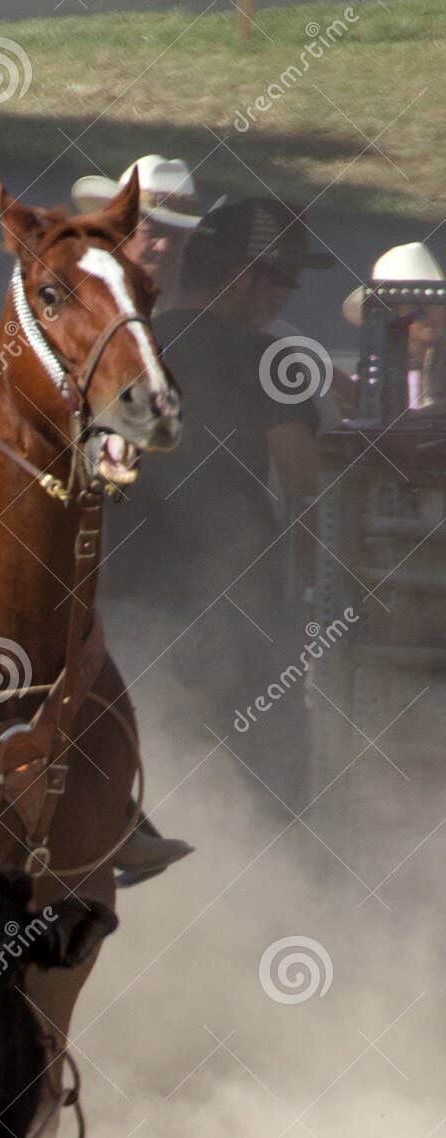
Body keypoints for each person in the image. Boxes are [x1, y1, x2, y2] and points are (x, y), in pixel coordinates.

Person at [109, 198, 335, 805]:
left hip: (121, 609)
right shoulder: (269, 361)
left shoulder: (130, 347)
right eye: (283, 278)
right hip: (232, 613)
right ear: (242, 276)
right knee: (267, 785)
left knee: (137, 763)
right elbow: (306, 487)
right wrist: (321, 584)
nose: (288, 295)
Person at [72, 156, 207, 312]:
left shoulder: (199, 315)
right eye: (153, 232)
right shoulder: (78, 304)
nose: (164, 246)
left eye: (176, 236)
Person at [342, 242, 446, 413]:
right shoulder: (368, 386)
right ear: (390, 312)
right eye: (415, 303)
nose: (427, 312)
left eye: (434, 302)